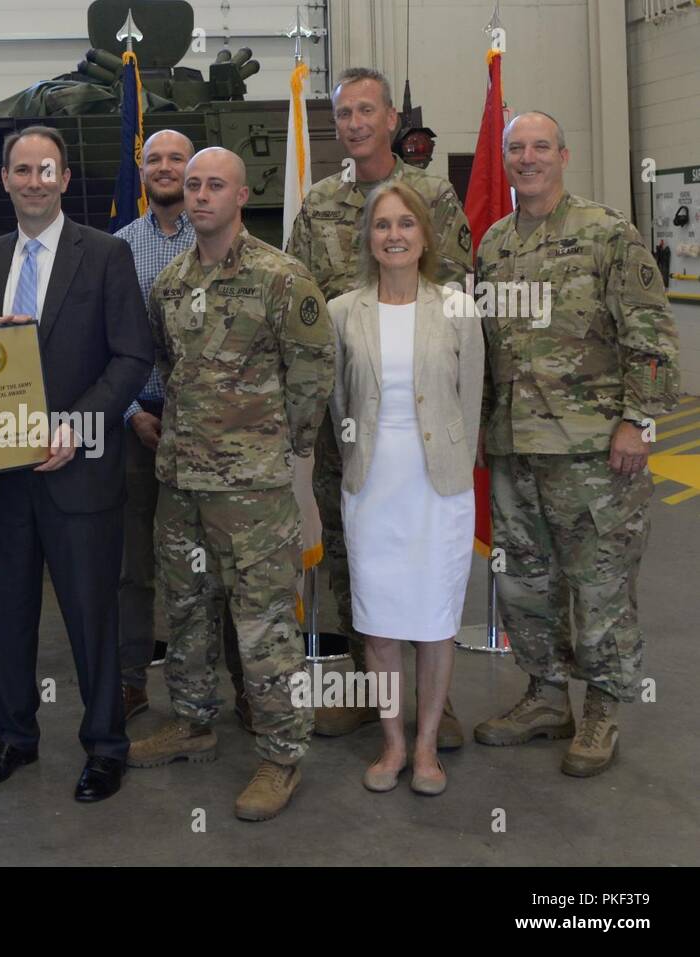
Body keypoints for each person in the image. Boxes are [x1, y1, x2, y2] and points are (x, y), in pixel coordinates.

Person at [128, 147, 335, 821]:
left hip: (252, 489)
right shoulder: (169, 284)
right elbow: (167, 364)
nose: (201, 195)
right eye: (192, 185)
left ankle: (281, 751)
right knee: (184, 610)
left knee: (263, 621)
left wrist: (281, 443)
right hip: (181, 480)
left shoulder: (281, 277)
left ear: (242, 195)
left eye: (215, 184)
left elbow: (314, 369)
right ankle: (193, 720)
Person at [472, 112, 679, 776]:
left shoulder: (607, 234)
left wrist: (637, 421)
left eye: (539, 147)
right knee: (527, 583)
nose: (527, 158)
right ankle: (545, 695)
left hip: (592, 450)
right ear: (505, 161)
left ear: (563, 155)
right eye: (516, 149)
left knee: (599, 583)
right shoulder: (496, 245)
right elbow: (487, 348)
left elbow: (653, 337)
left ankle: (603, 708)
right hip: (514, 447)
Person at [0, 125, 152, 802]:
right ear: (5, 180)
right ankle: (14, 736)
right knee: (6, 613)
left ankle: (105, 745)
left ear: (65, 180)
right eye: (21, 170)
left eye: (46, 169)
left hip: (83, 468)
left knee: (91, 615)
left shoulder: (106, 255)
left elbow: (133, 355)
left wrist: (79, 422)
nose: (34, 180)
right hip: (7, 478)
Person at [287, 66, 472, 744]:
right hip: (347, 416)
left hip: (418, 414)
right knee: (353, 558)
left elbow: (455, 304)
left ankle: (434, 705)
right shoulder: (317, 206)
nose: (356, 123)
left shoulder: (432, 197)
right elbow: (301, 307)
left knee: (426, 558)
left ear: (392, 118)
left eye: (368, 111)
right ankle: (374, 690)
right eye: (345, 114)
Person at [327, 182, 484, 796]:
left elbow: (469, 403)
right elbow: (339, 404)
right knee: (381, 624)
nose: (394, 235)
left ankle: (426, 749)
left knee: (436, 620)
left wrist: (451, 466)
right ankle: (392, 745)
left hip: (438, 488)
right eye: (382, 225)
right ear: (369, 238)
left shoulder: (458, 311)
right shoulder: (343, 312)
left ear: (424, 236)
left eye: (406, 225)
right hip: (372, 485)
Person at [113, 129, 195, 723]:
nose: (165, 168)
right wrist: (131, 414)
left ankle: (226, 685)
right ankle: (129, 680)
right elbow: (102, 344)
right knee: (131, 565)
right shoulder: (117, 249)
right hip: (137, 427)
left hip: (208, 432)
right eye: (154, 159)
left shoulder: (221, 241)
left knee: (211, 564)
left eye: (177, 159)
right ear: (141, 171)